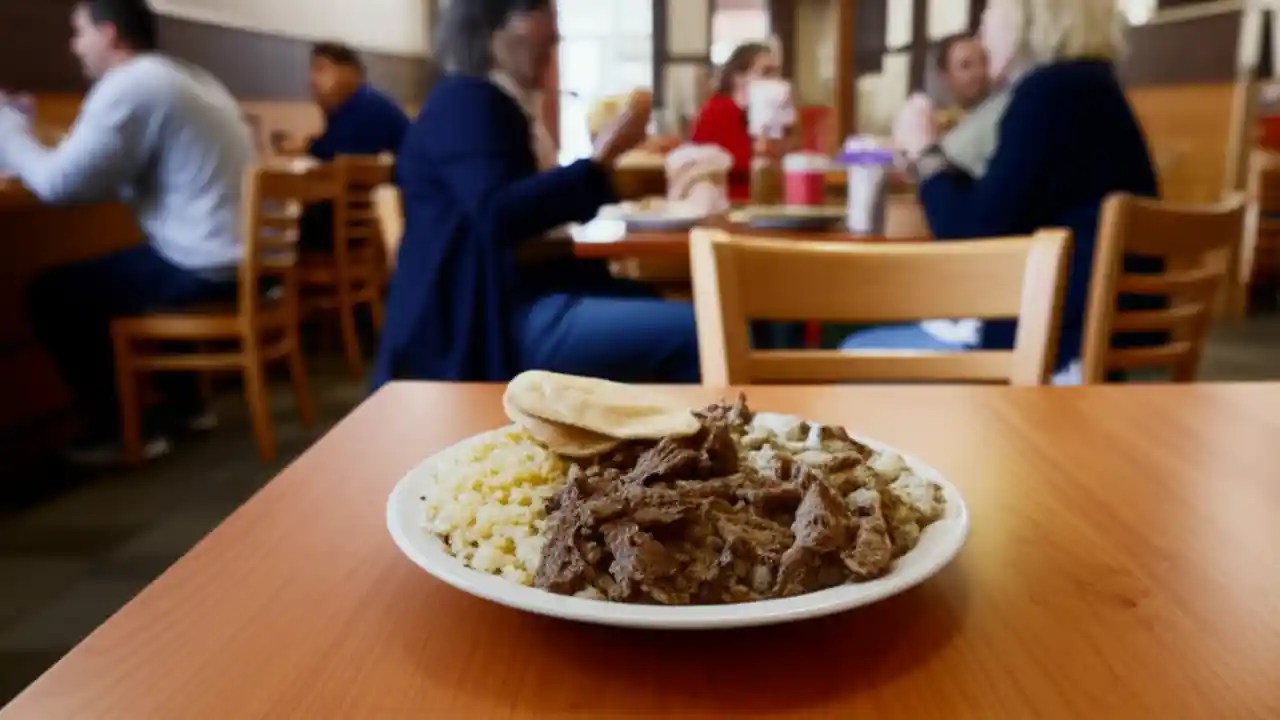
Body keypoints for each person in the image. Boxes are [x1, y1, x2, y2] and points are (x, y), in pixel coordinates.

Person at [373, 0, 699, 385]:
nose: (553, 29)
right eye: (537, 10)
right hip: (484, 323)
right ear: (494, 29)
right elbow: (498, 214)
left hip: (510, 301)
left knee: (674, 309)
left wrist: (597, 169)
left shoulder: (489, 101)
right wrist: (600, 159)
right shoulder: (465, 100)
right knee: (702, 332)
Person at [843, 0, 1158, 383]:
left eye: (990, 10)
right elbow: (1004, 205)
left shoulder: (1046, 95)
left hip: (1051, 352)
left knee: (856, 352)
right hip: (1093, 341)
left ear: (1028, 16)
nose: (981, 32)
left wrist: (925, 150)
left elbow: (969, 238)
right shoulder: (1093, 88)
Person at [0, 0, 254, 463]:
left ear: (110, 34)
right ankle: (187, 407)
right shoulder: (188, 77)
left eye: (79, 32)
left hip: (204, 263)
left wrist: (8, 127)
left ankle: (115, 431)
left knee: (53, 292)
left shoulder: (133, 83)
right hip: (241, 257)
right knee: (135, 264)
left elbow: (59, 185)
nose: (74, 46)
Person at [275, 43, 411, 252]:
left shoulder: (365, 106)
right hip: (381, 222)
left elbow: (338, 157)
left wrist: (305, 147)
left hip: (394, 218)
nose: (312, 81)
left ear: (350, 73)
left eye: (321, 69)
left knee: (312, 214)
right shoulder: (355, 107)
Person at [689, 42, 781, 203]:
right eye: (765, 73)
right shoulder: (717, 110)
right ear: (739, 77)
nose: (773, 80)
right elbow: (722, 162)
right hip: (731, 202)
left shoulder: (766, 115)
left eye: (775, 73)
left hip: (765, 200)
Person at [932, 34, 991, 133]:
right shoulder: (938, 127)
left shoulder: (1010, 112)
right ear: (944, 75)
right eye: (966, 66)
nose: (979, 72)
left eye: (983, 62)